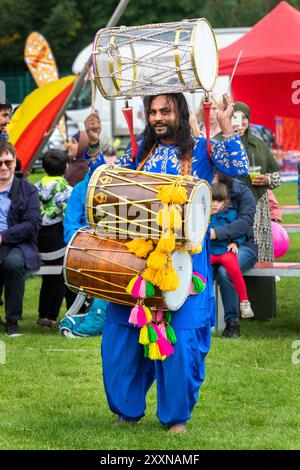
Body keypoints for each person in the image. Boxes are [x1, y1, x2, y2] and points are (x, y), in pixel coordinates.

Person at [82, 92, 248, 433]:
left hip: (186, 265)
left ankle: (176, 417)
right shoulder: (138, 152)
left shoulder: (202, 150)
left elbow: (240, 169)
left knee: (183, 342)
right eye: (153, 112)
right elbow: (103, 186)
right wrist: (95, 146)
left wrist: (224, 125)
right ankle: (126, 409)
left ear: (179, 112)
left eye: (165, 111)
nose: (158, 117)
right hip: (136, 262)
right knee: (120, 339)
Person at [230, 102, 281, 262]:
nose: (241, 121)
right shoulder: (219, 141)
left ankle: (262, 288)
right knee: (230, 256)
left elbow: (277, 176)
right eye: (235, 117)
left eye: (244, 117)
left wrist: (267, 179)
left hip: (258, 207)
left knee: (260, 256)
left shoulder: (258, 144)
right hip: (230, 208)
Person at [0, 140, 42, 336]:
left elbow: (32, 224)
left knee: (13, 264)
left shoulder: (28, 190)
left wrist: (3, 236)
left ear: (15, 162)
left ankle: (13, 320)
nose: (3, 167)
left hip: (19, 244)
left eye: (7, 162)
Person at [212, 171, 257, 338]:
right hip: (213, 247)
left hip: (242, 244)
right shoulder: (203, 188)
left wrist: (217, 233)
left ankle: (232, 323)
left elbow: (245, 223)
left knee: (225, 272)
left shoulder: (242, 192)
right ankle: (201, 319)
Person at [35, 150, 72, 328]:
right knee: (60, 278)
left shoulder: (34, 187)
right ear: (66, 167)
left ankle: (42, 314)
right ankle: (50, 317)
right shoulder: (67, 190)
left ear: (43, 167)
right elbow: (68, 217)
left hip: (38, 243)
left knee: (47, 279)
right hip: (58, 243)